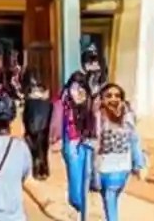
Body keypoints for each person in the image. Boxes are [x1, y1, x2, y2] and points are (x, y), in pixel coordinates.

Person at [91, 83, 146, 221]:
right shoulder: (97, 116)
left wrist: (139, 164)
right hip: (104, 168)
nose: (113, 99)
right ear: (102, 98)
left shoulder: (127, 117)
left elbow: (134, 140)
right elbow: (93, 142)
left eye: (117, 96)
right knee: (110, 200)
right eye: (109, 96)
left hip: (120, 169)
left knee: (110, 199)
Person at [51, 72, 94, 218]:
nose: (77, 90)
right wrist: (55, 138)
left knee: (86, 177)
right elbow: (56, 121)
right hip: (71, 142)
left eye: (80, 86)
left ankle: (83, 212)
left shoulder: (89, 101)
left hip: (87, 142)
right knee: (75, 176)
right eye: (74, 87)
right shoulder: (63, 102)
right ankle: (77, 203)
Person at [19, 70, 52, 180]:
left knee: (34, 150)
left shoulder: (29, 96)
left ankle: (37, 170)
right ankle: (44, 169)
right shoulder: (46, 94)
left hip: (33, 127)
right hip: (44, 126)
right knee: (43, 149)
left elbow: (25, 115)